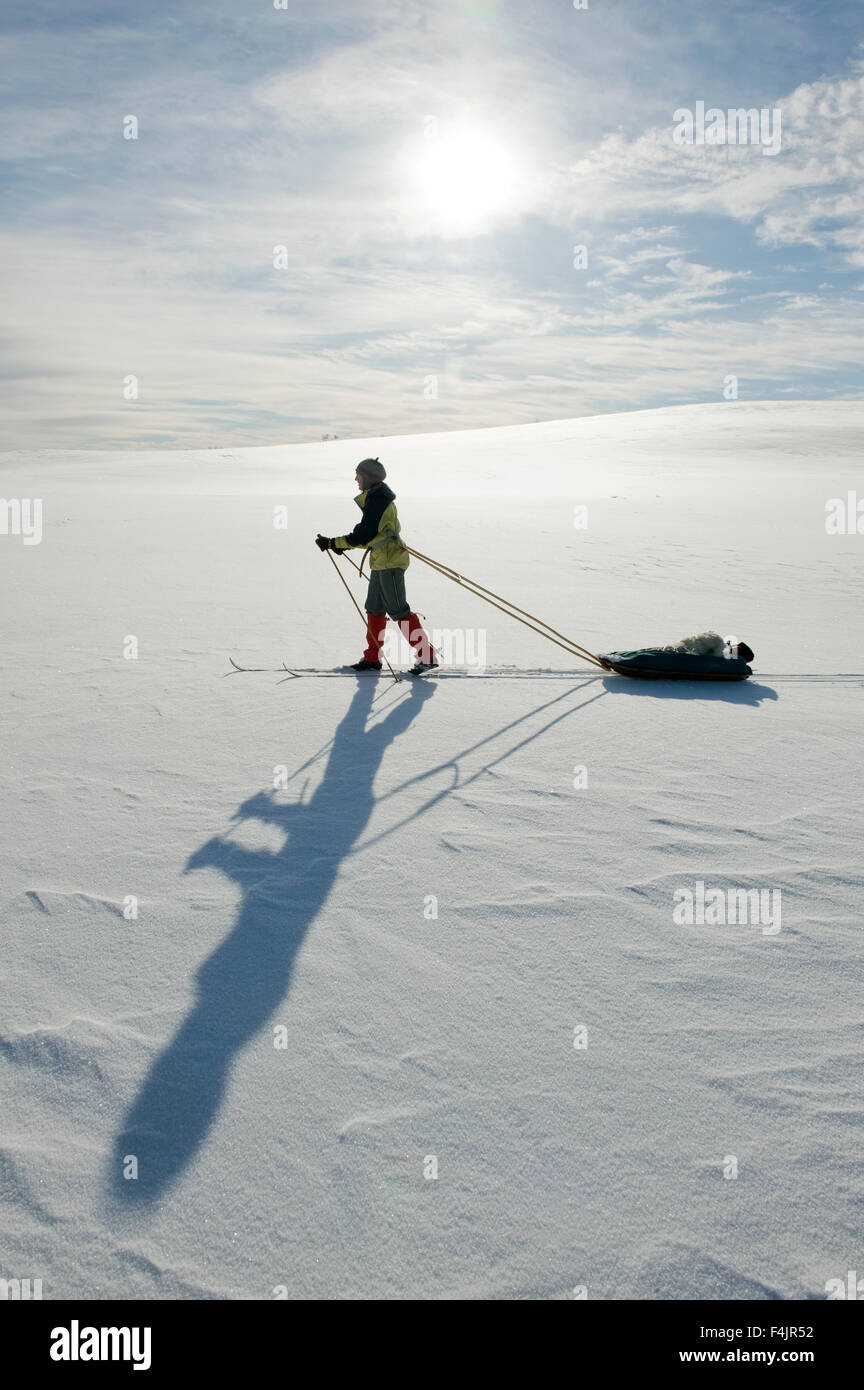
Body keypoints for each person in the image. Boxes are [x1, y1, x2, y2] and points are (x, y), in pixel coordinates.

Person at [315, 458, 437, 674]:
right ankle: (372, 658)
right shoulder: (375, 498)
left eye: (358, 475)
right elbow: (373, 536)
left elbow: (364, 534)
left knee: (399, 610)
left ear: (368, 478)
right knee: (374, 609)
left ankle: (426, 656)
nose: (355, 479)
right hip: (381, 560)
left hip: (390, 562)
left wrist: (335, 543)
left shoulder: (378, 501)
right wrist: (340, 545)